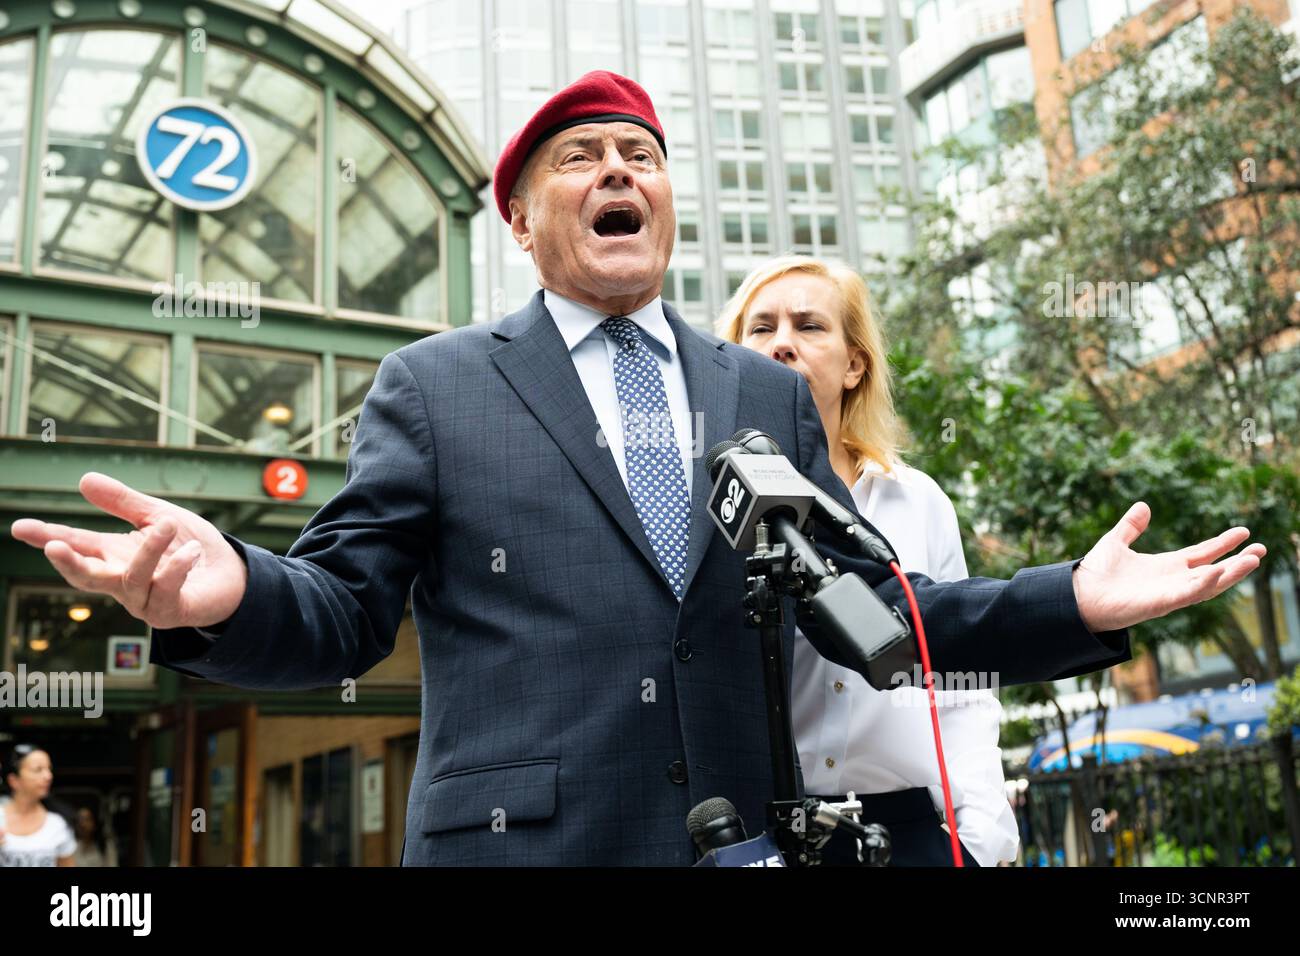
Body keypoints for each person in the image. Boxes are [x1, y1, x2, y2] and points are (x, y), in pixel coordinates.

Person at [8, 71, 1265, 866]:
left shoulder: (761, 389)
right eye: (580, 158)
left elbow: (869, 616)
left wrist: (1074, 604)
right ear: (518, 219)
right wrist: (224, 588)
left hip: (741, 844)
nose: (618, 170)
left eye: (641, 155)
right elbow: (343, 612)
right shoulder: (435, 384)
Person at [721, 256, 1015, 866]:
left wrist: (979, 840)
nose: (782, 344)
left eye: (809, 326)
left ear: (855, 364)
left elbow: (960, 684)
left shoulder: (918, 500)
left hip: (905, 831)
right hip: (763, 835)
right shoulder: (711, 511)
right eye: (761, 328)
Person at [0, 744, 76, 867]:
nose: (48, 776)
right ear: (13, 780)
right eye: (38, 770)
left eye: (49, 769)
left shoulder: (58, 823)